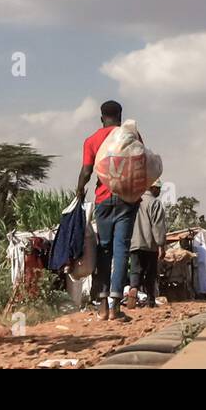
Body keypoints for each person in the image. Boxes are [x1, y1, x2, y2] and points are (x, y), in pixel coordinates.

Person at [76, 100, 141, 322]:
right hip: (126, 199)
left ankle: (102, 307)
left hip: (103, 199)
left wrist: (79, 190)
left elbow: (86, 171)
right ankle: (115, 307)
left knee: (104, 249)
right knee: (121, 248)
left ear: (101, 117)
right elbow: (141, 162)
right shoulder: (130, 136)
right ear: (121, 116)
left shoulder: (92, 140)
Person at [128, 180, 168, 308]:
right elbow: (158, 226)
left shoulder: (133, 201)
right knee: (150, 273)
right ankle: (150, 301)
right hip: (150, 244)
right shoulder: (155, 203)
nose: (160, 191)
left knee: (135, 270)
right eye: (158, 188)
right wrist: (161, 245)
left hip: (134, 243)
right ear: (153, 188)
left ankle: (133, 288)